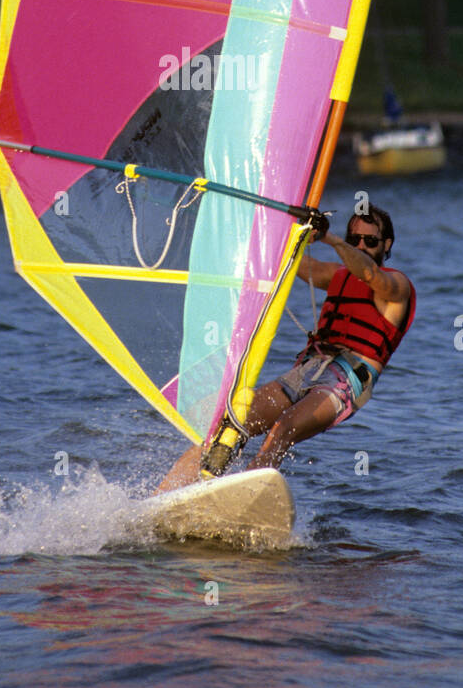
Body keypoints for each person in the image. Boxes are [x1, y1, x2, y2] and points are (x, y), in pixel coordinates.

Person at [156, 204, 415, 491]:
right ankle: (163, 496)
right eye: (355, 240)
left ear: (387, 244)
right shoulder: (337, 275)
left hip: (344, 382)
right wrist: (292, 228)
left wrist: (332, 239)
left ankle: (243, 504)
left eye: (371, 241)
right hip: (306, 371)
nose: (362, 246)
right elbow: (290, 260)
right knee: (228, 424)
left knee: (282, 430)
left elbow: (370, 275)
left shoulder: (397, 286)